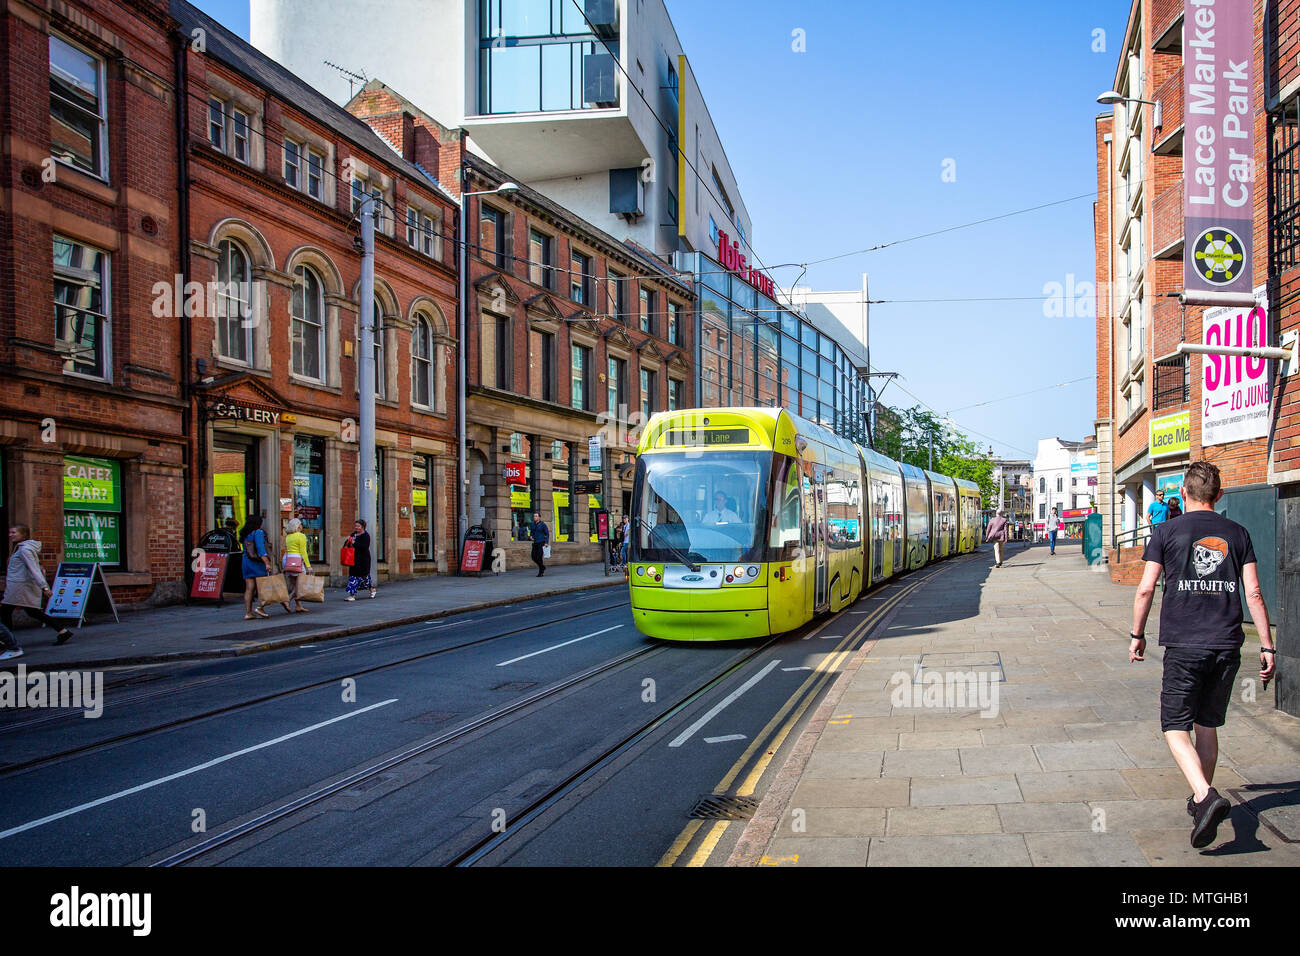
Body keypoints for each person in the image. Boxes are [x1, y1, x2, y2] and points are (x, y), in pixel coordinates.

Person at [1129, 460, 1276, 849]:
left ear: (1182, 495)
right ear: (1220, 495)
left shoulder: (1165, 531)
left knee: (1175, 726)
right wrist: (1266, 644)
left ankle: (1204, 795)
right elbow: (1255, 593)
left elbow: (1145, 589)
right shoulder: (1238, 532)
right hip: (1227, 645)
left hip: (1184, 644)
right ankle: (1201, 801)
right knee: (1207, 725)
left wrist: (1137, 634)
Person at [1, 525, 73, 656]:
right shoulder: (21, 548)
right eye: (9, 532)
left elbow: (34, 569)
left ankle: (8, 642)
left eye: (13, 532)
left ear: (23, 534)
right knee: (33, 612)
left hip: (19, 587)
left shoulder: (25, 550)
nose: (10, 535)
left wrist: (44, 587)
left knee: (5, 612)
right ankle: (63, 631)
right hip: (20, 586)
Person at [240, 514, 273, 620]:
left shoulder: (245, 533)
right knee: (262, 587)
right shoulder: (258, 532)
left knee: (249, 588)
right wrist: (267, 563)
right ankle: (260, 608)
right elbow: (260, 549)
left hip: (246, 561)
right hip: (257, 562)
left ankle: (248, 613)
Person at [282, 517, 312, 613]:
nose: (302, 526)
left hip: (287, 559)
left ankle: (298, 606)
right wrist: (308, 565)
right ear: (298, 526)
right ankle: (287, 599)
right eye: (300, 524)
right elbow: (303, 552)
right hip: (297, 560)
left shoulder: (288, 536)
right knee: (300, 584)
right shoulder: (301, 536)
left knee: (295, 584)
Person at [344, 519, 374, 601]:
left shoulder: (366, 536)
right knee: (353, 576)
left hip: (363, 560)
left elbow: (364, 547)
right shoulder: (354, 534)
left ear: (363, 527)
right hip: (353, 559)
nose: (356, 527)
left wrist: (354, 543)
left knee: (364, 576)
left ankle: (371, 589)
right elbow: (347, 542)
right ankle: (352, 595)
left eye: (358, 526)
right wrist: (348, 543)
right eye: (355, 526)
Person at [530, 511, 550, 576]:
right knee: (533, 557)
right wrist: (531, 536)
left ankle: (540, 572)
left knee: (539, 557)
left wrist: (546, 542)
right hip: (535, 542)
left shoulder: (543, 525)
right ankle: (542, 567)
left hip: (541, 542)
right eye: (534, 516)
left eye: (536, 516)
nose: (534, 517)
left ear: (539, 517)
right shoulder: (532, 524)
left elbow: (547, 534)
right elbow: (532, 532)